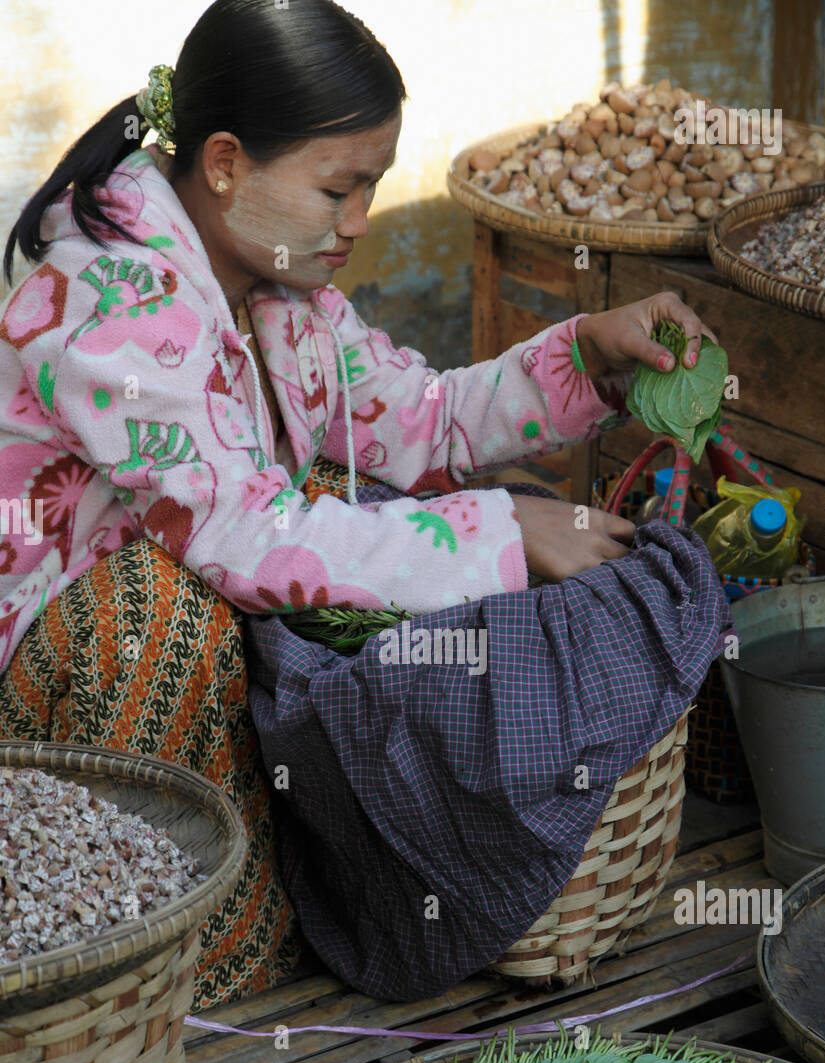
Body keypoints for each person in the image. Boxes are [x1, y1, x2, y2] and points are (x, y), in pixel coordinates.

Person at [0, 0, 717, 1009]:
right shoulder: (118, 297)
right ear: (222, 164)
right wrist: (503, 533)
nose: (358, 222)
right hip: (47, 680)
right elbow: (243, 533)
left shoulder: (276, 280)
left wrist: (581, 358)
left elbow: (413, 418)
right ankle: (166, 969)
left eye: (368, 187)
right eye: (339, 188)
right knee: (162, 618)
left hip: (209, 606)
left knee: (398, 515)